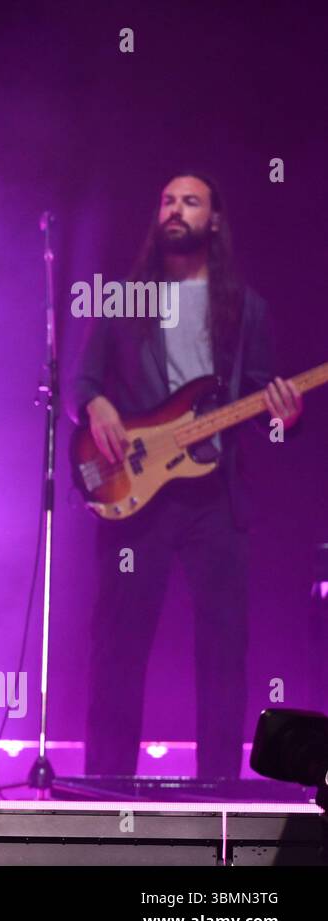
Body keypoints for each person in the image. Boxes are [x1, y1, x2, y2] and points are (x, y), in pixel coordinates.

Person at [69, 172, 304, 779]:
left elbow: (264, 415)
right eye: (167, 199)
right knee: (119, 646)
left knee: (224, 651)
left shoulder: (246, 308)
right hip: (138, 487)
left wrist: (283, 417)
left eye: (190, 201)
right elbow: (84, 384)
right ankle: (106, 789)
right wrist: (97, 409)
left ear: (214, 220)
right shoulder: (125, 298)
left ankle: (221, 793)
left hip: (216, 500)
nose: (175, 209)